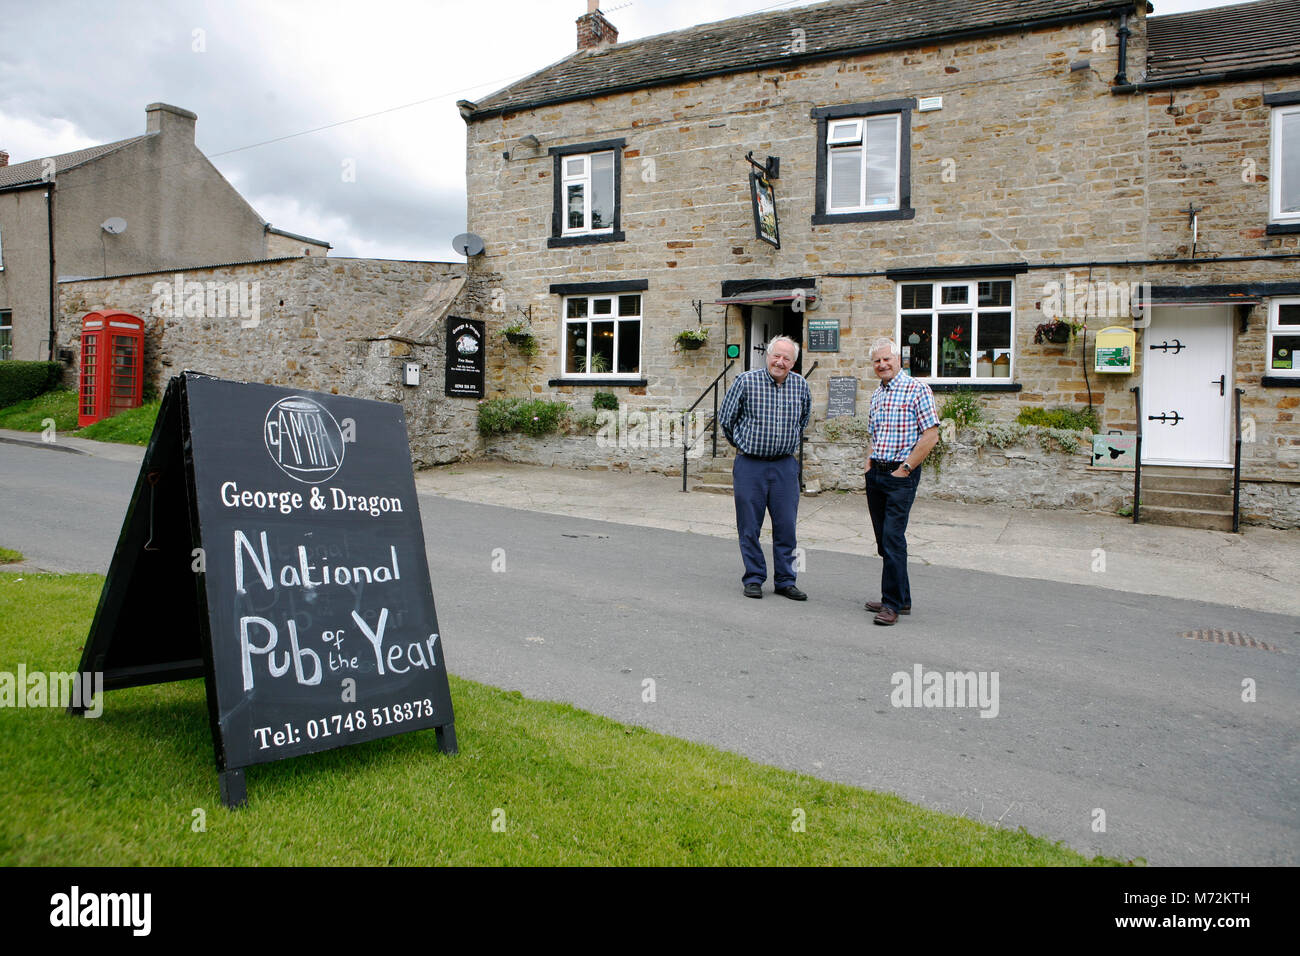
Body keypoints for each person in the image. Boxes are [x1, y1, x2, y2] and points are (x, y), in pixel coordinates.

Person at [718, 335, 811, 600]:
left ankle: (785, 580)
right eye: (776, 356)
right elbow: (726, 419)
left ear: (793, 362)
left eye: (787, 358)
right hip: (751, 465)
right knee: (749, 526)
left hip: (784, 466)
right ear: (767, 355)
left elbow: (803, 419)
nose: (780, 362)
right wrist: (746, 445)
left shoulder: (801, 386)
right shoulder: (745, 382)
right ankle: (754, 577)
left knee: (786, 527)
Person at [864, 337, 939, 625]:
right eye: (877, 361)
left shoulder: (916, 389)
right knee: (885, 540)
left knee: (893, 539)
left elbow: (930, 435)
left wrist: (905, 469)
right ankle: (900, 599)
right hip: (877, 473)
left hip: (900, 474)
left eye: (887, 359)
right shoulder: (877, 394)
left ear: (898, 359)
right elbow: (874, 432)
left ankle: (891, 605)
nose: (882, 364)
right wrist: (869, 461)